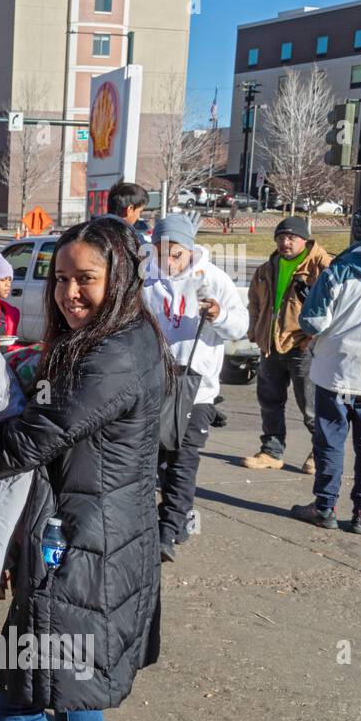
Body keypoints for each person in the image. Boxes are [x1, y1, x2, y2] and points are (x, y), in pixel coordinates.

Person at [0, 217, 169, 721]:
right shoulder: (126, 335)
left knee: (14, 701)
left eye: (86, 279)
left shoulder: (113, 353)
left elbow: (37, 437)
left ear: (119, 277)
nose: (69, 292)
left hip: (78, 553)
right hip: (104, 543)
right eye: (61, 278)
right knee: (75, 691)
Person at [142, 215, 248, 561]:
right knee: (151, 460)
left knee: (182, 463)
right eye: (161, 253)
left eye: (175, 254)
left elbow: (239, 328)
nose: (168, 262)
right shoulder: (147, 280)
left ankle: (168, 530)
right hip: (155, 385)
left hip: (197, 390)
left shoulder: (214, 279)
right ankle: (156, 522)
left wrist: (219, 316)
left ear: (189, 249)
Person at [291, 203, 361, 534]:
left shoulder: (340, 268)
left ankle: (324, 507)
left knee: (330, 439)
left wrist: (309, 298)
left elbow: (313, 321)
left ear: (358, 231)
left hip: (335, 369)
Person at [242, 217, 332, 473]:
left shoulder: (321, 266)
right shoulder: (266, 268)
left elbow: (335, 307)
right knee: (269, 402)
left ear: (305, 239)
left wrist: (312, 339)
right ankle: (271, 451)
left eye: (291, 237)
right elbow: (255, 303)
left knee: (312, 406)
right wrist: (255, 332)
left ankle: (321, 453)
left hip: (303, 347)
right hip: (270, 345)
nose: (285, 242)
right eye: (281, 237)